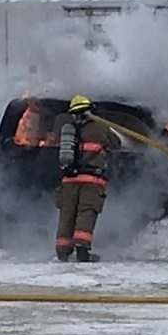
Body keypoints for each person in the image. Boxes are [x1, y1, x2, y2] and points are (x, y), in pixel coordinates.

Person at [52, 95, 121, 263]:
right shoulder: (99, 127)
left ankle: (62, 251)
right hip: (91, 179)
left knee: (67, 214)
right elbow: (116, 143)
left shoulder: (67, 129)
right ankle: (82, 252)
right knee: (86, 213)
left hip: (69, 180)